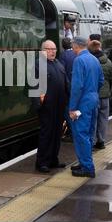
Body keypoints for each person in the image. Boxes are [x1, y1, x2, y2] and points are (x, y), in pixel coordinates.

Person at [69, 36, 104, 178]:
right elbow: (101, 80)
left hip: (82, 102)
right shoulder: (94, 59)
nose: (72, 49)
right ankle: (84, 163)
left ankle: (88, 167)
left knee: (80, 134)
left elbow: (77, 86)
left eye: (72, 46)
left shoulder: (79, 60)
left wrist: (72, 108)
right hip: (93, 100)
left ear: (76, 46)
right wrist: (93, 93)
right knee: (89, 134)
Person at [32, 40, 68, 173]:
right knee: (46, 134)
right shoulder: (38, 64)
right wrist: (38, 105)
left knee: (57, 133)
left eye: (54, 49)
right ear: (43, 50)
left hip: (59, 106)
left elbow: (65, 82)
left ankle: (53, 159)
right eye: (49, 49)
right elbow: (34, 85)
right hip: (47, 106)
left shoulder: (58, 64)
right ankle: (42, 162)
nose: (53, 51)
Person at [89, 40, 112, 150]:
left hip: (94, 95)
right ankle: (101, 141)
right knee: (103, 119)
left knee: (93, 119)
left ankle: (93, 141)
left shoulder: (90, 61)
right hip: (105, 95)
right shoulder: (108, 62)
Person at [59, 37, 76, 142]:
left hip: (67, 87)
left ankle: (72, 134)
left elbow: (61, 72)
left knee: (67, 111)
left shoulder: (63, 56)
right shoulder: (75, 54)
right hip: (76, 87)